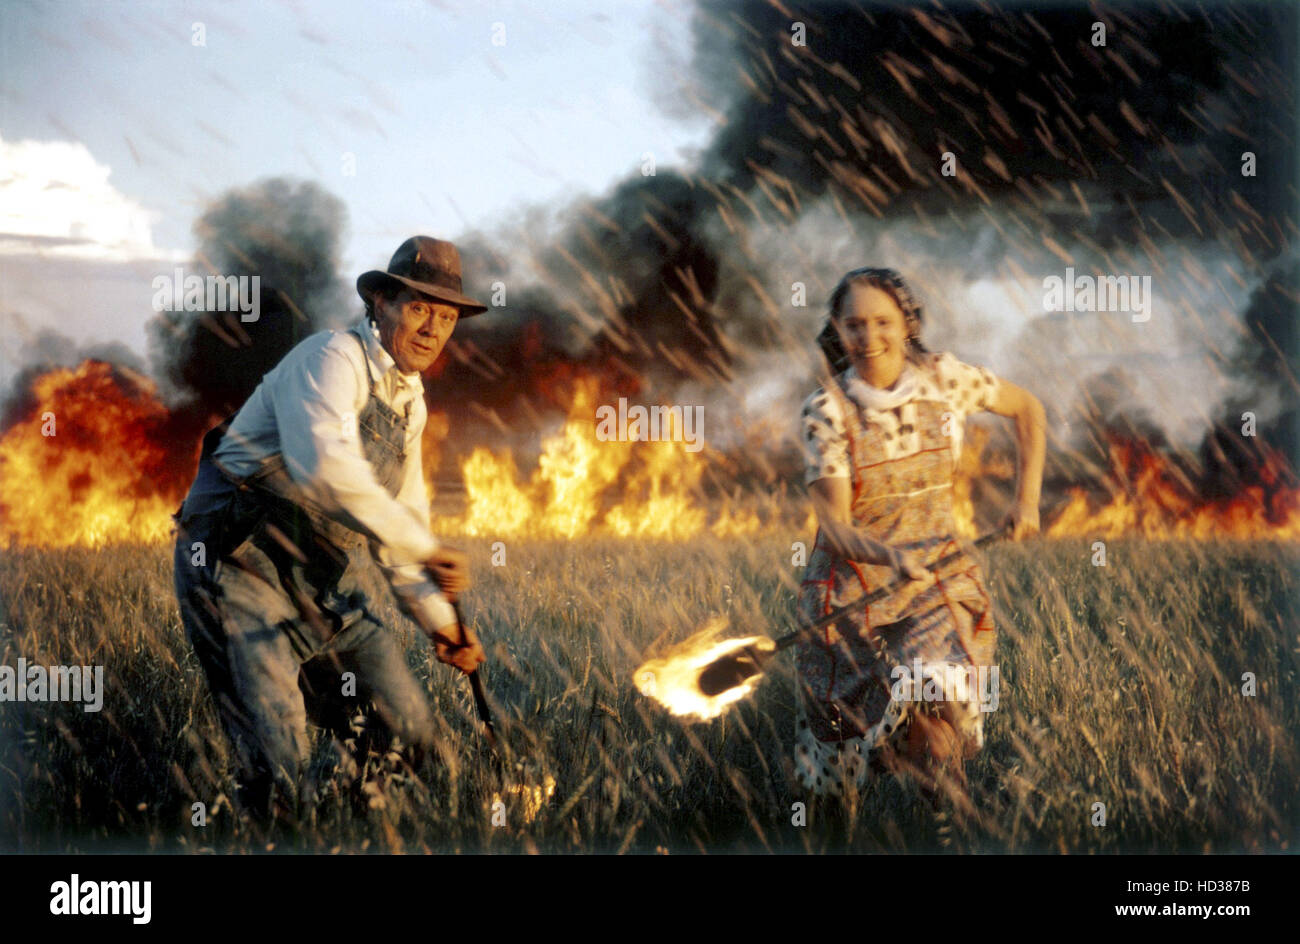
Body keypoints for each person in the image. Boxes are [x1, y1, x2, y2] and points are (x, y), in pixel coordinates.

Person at [172, 235, 488, 823]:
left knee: (408, 728)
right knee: (278, 754)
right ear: (381, 305)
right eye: (419, 307)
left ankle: (350, 827)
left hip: (318, 586)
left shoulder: (411, 406)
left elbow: (405, 526)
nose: (432, 328)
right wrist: (426, 547)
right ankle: (280, 830)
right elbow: (326, 471)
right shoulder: (331, 359)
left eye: (446, 316)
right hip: (237, 567)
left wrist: (444, 627)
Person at [794, 266, 1045, 806]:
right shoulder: (825, 412)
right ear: (836, 330)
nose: (868, 337)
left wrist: (1025, 502)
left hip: (938, 582)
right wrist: (891, 557)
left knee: (936, 708)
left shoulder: (944, 379)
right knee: (848, 760)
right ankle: (880, 792)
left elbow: (1027, 409)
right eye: (853, 324)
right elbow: (835, 530)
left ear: (907, 325)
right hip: (852, 596)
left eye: (882, 322)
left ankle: (947, 816)